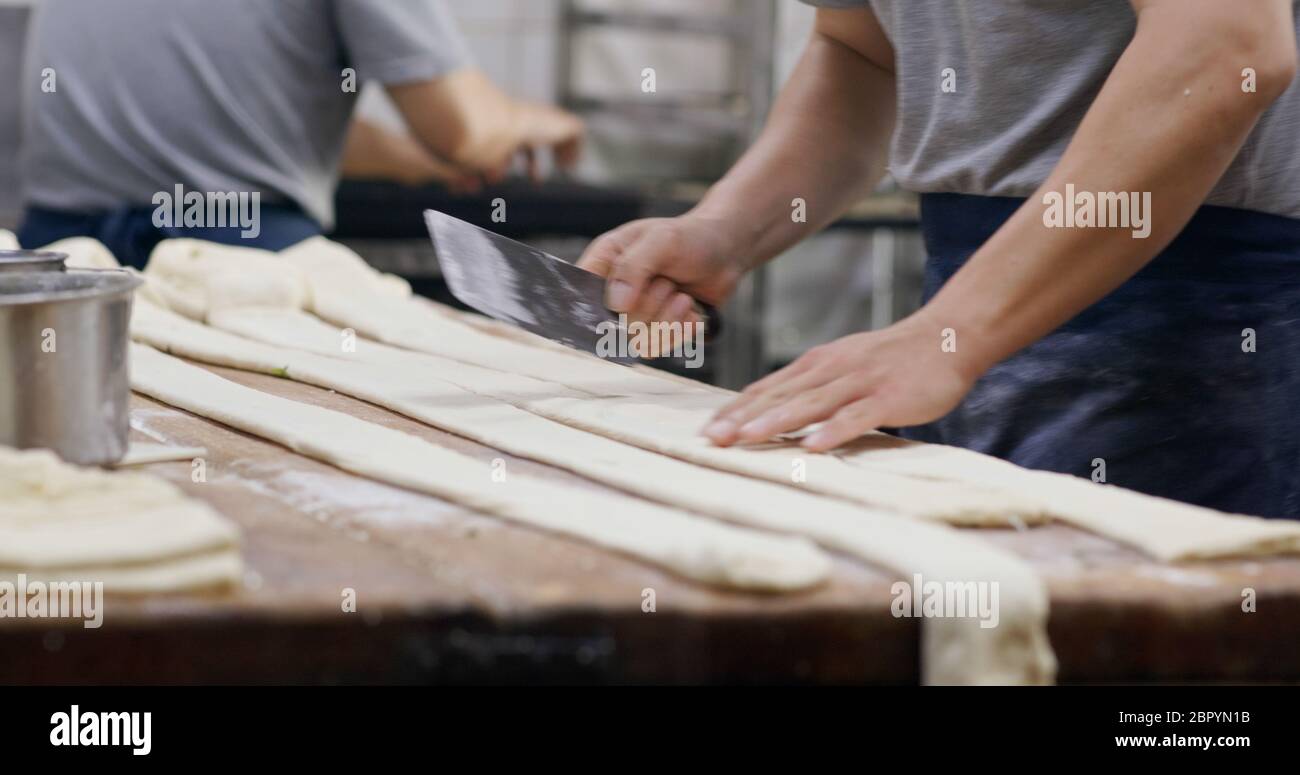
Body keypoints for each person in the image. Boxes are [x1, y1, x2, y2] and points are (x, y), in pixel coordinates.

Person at [578, 0, 1300, 518]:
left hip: (1199, 325)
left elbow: (1226, 42)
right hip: (971, 302)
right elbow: (862, 52)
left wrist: (952, 331)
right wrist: (725, 230)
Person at [17, 0, 583, 267]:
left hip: (60, 270)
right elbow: (467, 132)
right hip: (239, 261)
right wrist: (534, 121)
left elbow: (246, 129)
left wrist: (415, 161)